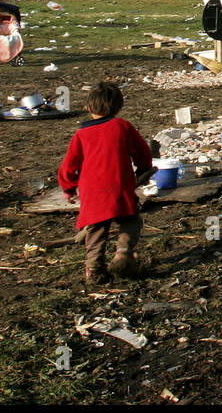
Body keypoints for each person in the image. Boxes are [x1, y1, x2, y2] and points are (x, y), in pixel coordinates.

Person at [58, 82, 152, 285]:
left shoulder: (81, 134)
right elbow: (142, 150)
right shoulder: (122, 126)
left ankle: (94, 269)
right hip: (119, 186)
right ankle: (123, 253)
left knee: (96, 230)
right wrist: (144, 168)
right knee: (130, 221)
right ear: (118, 107)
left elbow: (69, 165)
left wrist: (68, 187)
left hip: (92, 192)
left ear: (88, 107)